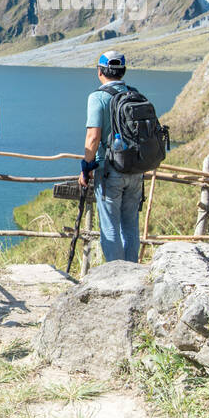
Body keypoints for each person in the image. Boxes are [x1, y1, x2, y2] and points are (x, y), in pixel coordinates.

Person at [78, 51, 142, 262]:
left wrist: (86, 167)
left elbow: (93, 137)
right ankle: (133, 275)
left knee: (109, 226)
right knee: (131, 225)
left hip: (109, 171)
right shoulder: (134, 94)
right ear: (123, 71)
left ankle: (117, 277)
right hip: (135, 170)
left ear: (100, 72)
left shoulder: (97, 97)